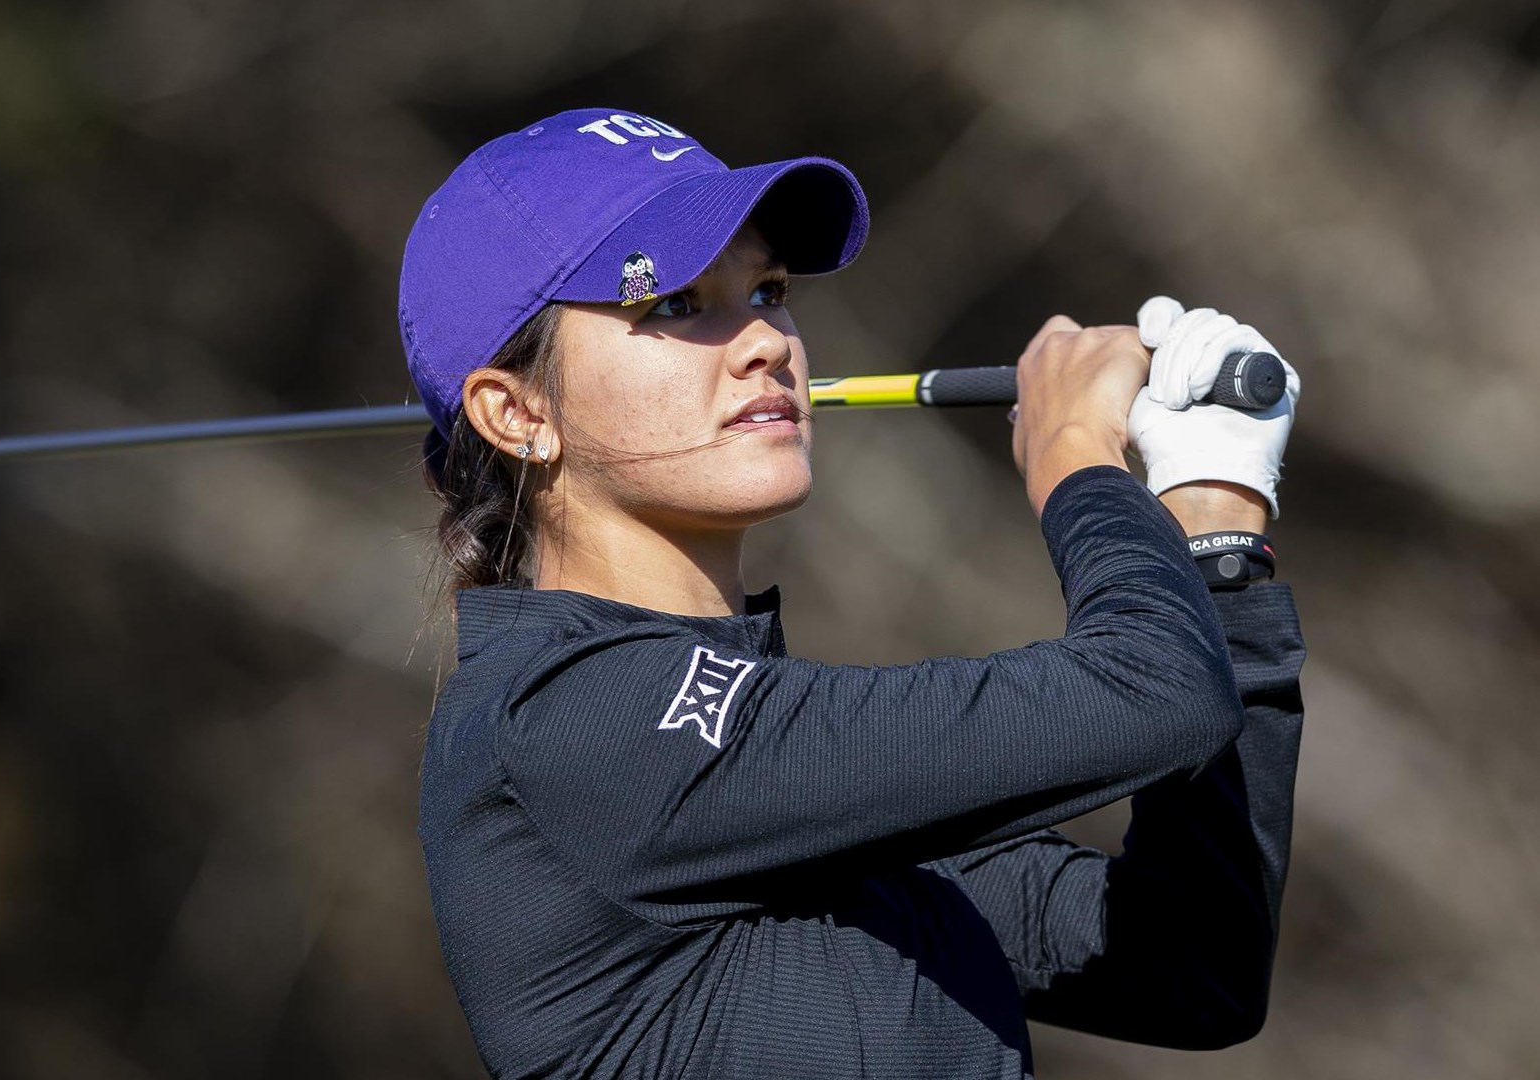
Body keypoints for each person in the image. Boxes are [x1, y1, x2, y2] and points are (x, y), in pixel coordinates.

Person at [399, 108, 1305, 1080]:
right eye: (674, 305)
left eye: (769, 289)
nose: (764, 341)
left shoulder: (774, 767)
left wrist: (1215, 529)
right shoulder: (567, 723)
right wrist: (1074, 457)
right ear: (518, 413)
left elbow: (1189, 968)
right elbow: (1149, 692)